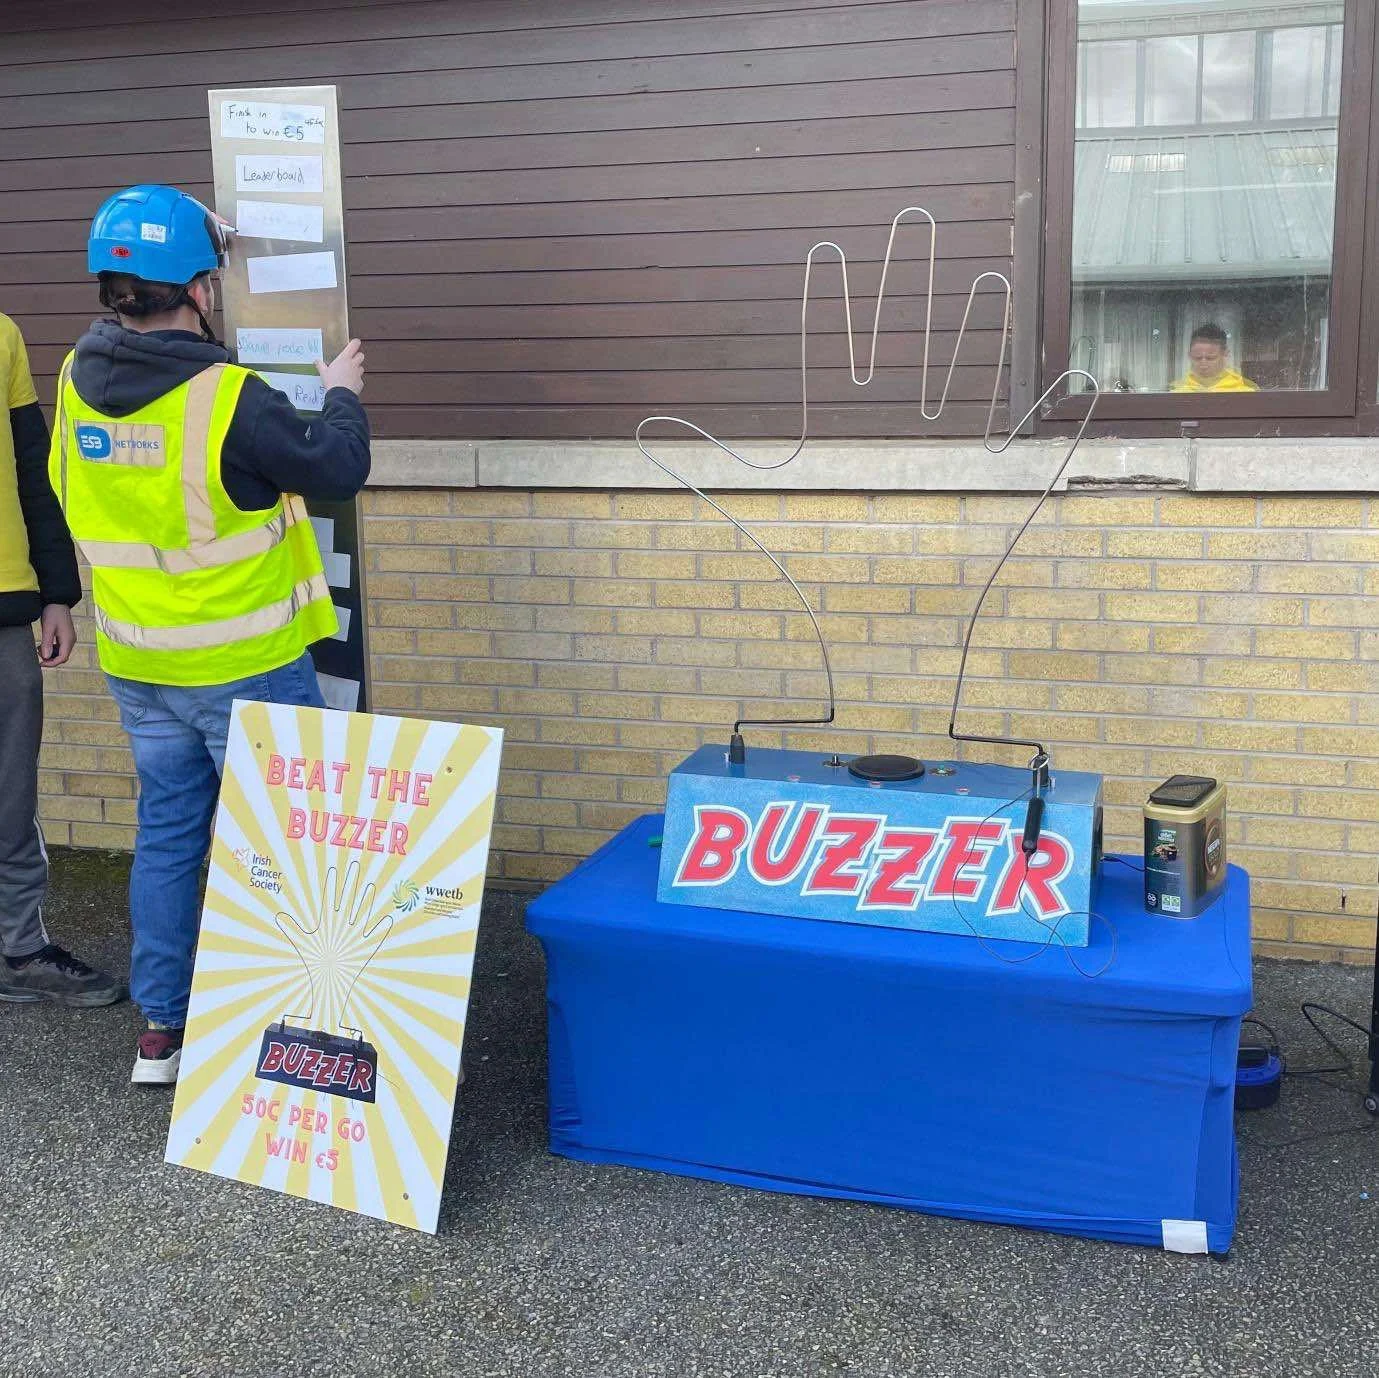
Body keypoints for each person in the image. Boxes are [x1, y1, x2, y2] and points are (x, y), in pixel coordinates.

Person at [50, 184, 371, 1085]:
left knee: (169, 839)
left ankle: (163, 1033)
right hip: (244, 670)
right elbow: (338, 465)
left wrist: (203, 237)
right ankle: (300, 1024)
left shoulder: (76, 379)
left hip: (140, 666)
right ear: (194, 288)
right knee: (286, 847)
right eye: (210, 276)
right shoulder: (229, 396)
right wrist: (339, 396)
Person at [0, 312, 126, 1008]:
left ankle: (19, 950)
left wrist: (56, 593)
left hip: (3, 602)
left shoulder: (3, 337)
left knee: (11, 799)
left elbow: (30, 468)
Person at [1170, 323, 1258, 392]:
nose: (1203, 362)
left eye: (1210, 358)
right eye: (1197, 357)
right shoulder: (1174, 391)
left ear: (1225, 354)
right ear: (1189, 355)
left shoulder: (1246, 390)